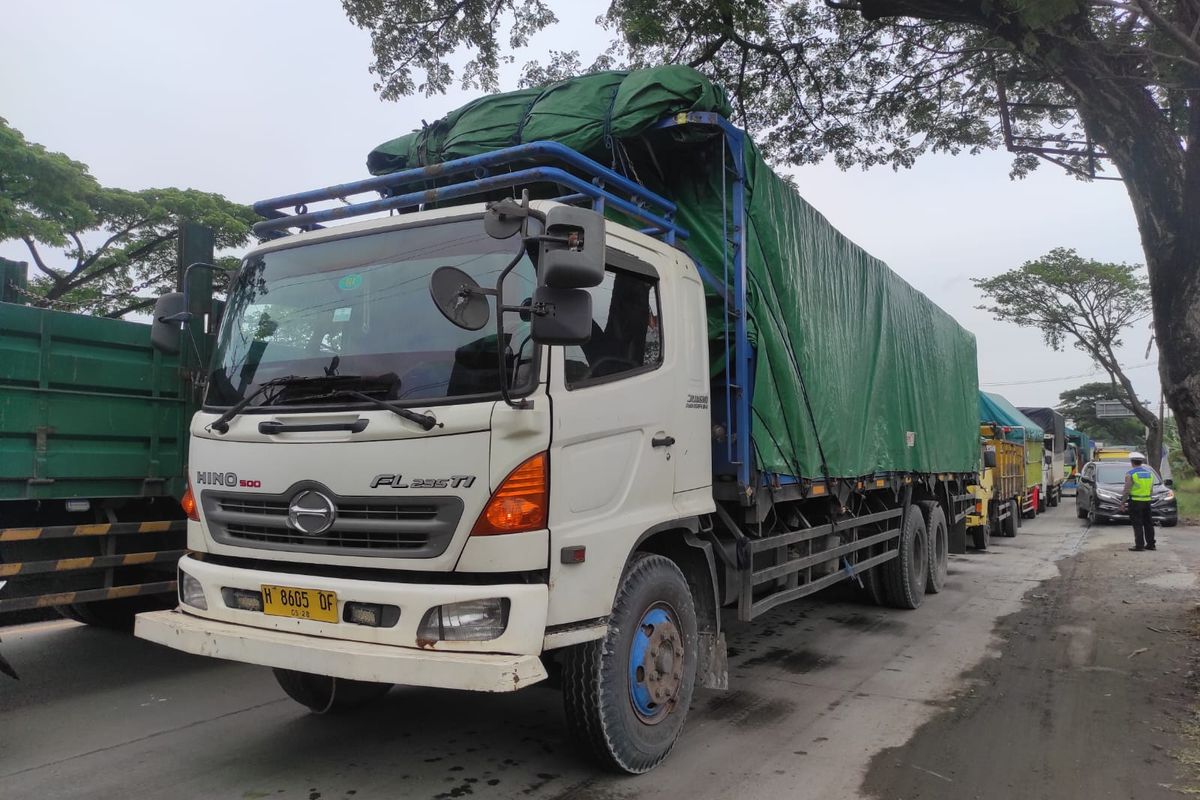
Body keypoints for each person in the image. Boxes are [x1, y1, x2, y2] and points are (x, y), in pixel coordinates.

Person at [1121, 452, 1157, 552]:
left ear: (1132, 462)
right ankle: (1151, 544)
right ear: (1141, 462)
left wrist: (1123, 502)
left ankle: (1139, 545)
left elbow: (1127, 490)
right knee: (1148, 523)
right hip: (1147, 501)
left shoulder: (1131, 474)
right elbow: (1151, 489)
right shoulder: (1149, 474)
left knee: (1137, 524)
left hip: (1135, 502)